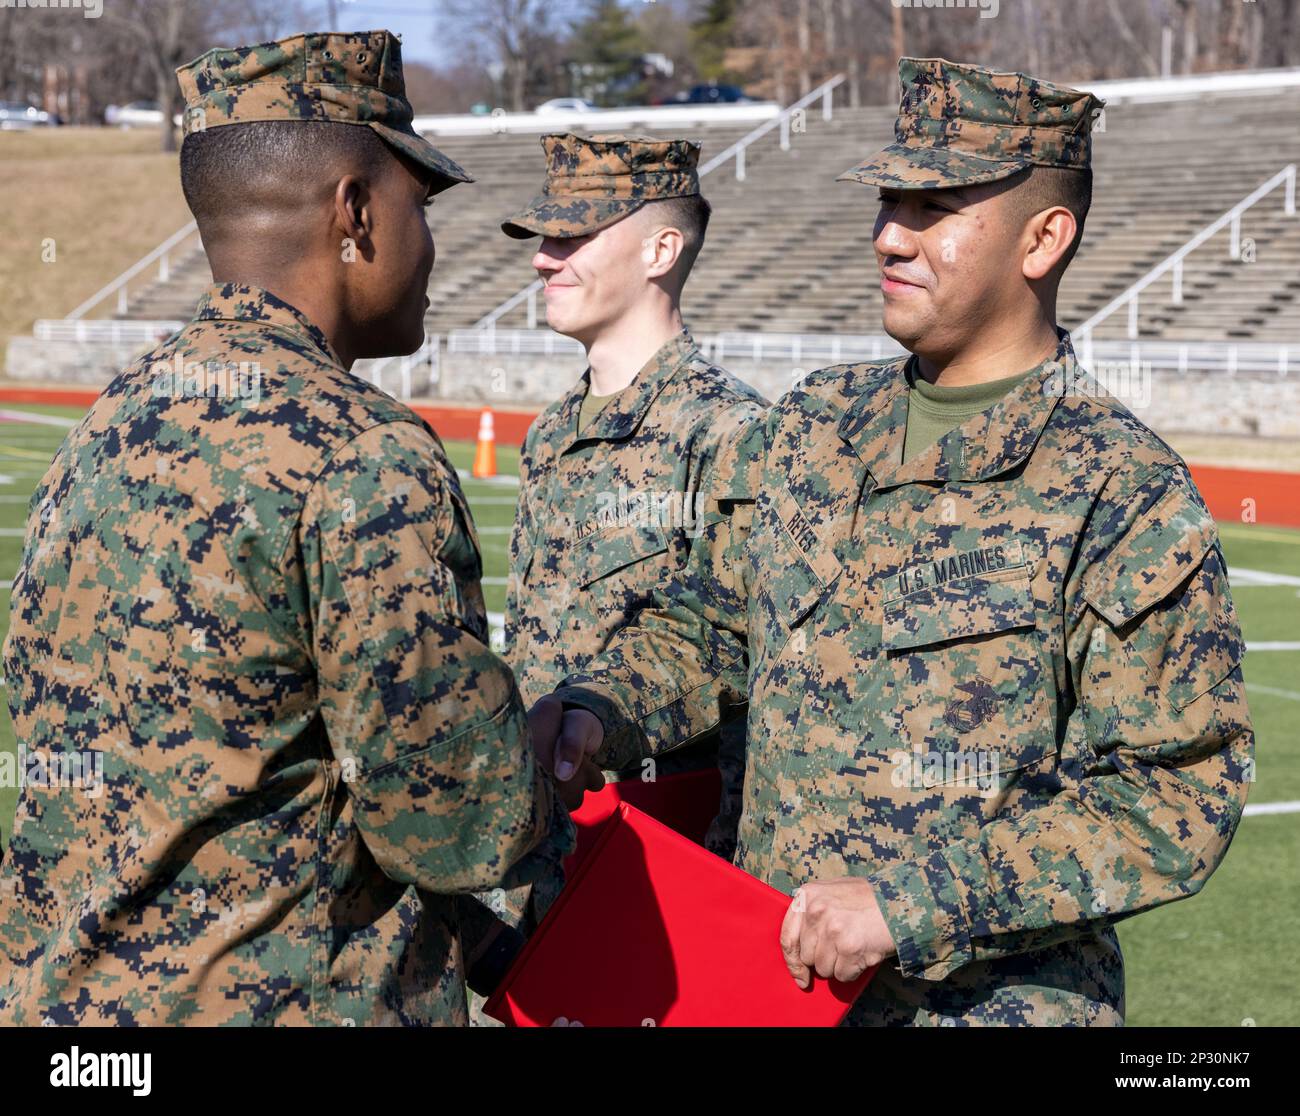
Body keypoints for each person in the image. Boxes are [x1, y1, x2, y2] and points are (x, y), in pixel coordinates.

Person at [535, 58, 1254, 1026]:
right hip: (765, 994)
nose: (887, 235)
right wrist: (601, 707)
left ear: (1044, 237)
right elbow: (711, 630)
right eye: (887, 200)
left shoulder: (1118, 488)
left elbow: (1174, 794)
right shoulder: (810, 426)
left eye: (933, 206)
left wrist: (912, 907)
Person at [0, 29, 571, 1026]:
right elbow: (453, 822)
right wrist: (530, 751)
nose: (430, 242)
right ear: (354, 210)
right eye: (416, 203)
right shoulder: (360, 455)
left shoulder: (102, 428)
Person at [501, 131, 766, 869]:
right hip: (534, 854)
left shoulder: (732, 432)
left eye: (572, 234)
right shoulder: (552, 430)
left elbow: (736, 651)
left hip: (650, 866)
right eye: (544, 234)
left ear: (660, 251)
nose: (542, 257)